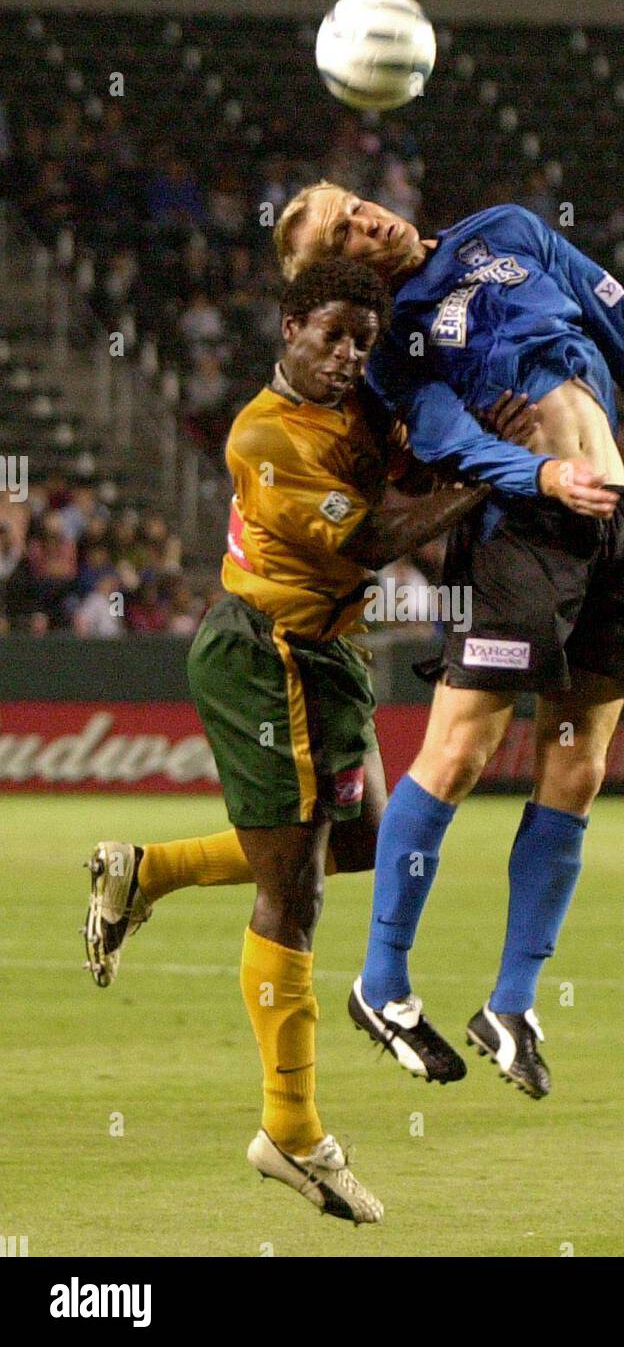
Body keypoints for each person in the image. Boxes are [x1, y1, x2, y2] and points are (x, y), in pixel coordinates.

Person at [270, 182, 624, 1099]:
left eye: (361, 208)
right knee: (462, 750)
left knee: (579, 767)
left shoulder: (513, 230)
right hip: (518, 531)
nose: (370, 222)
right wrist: (539, 473)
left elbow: (622, 316)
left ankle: (513, 1000)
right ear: (343, 273)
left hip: (615, 523)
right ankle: (384, 981)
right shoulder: (391, 349)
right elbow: (447, 438)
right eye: (346, 235)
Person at [83, 259, 494, 1225]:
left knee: (360, 842)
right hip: (271, 657)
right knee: (293, 891)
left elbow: (405, 462)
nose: (350, 355)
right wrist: (493, 475)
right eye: (334, 335)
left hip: (329, 652)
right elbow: (376, 538)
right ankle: (293, 1131)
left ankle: (145, 873)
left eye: (364, 338)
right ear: (290, 327)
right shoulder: (263, 438)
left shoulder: (353, 407)